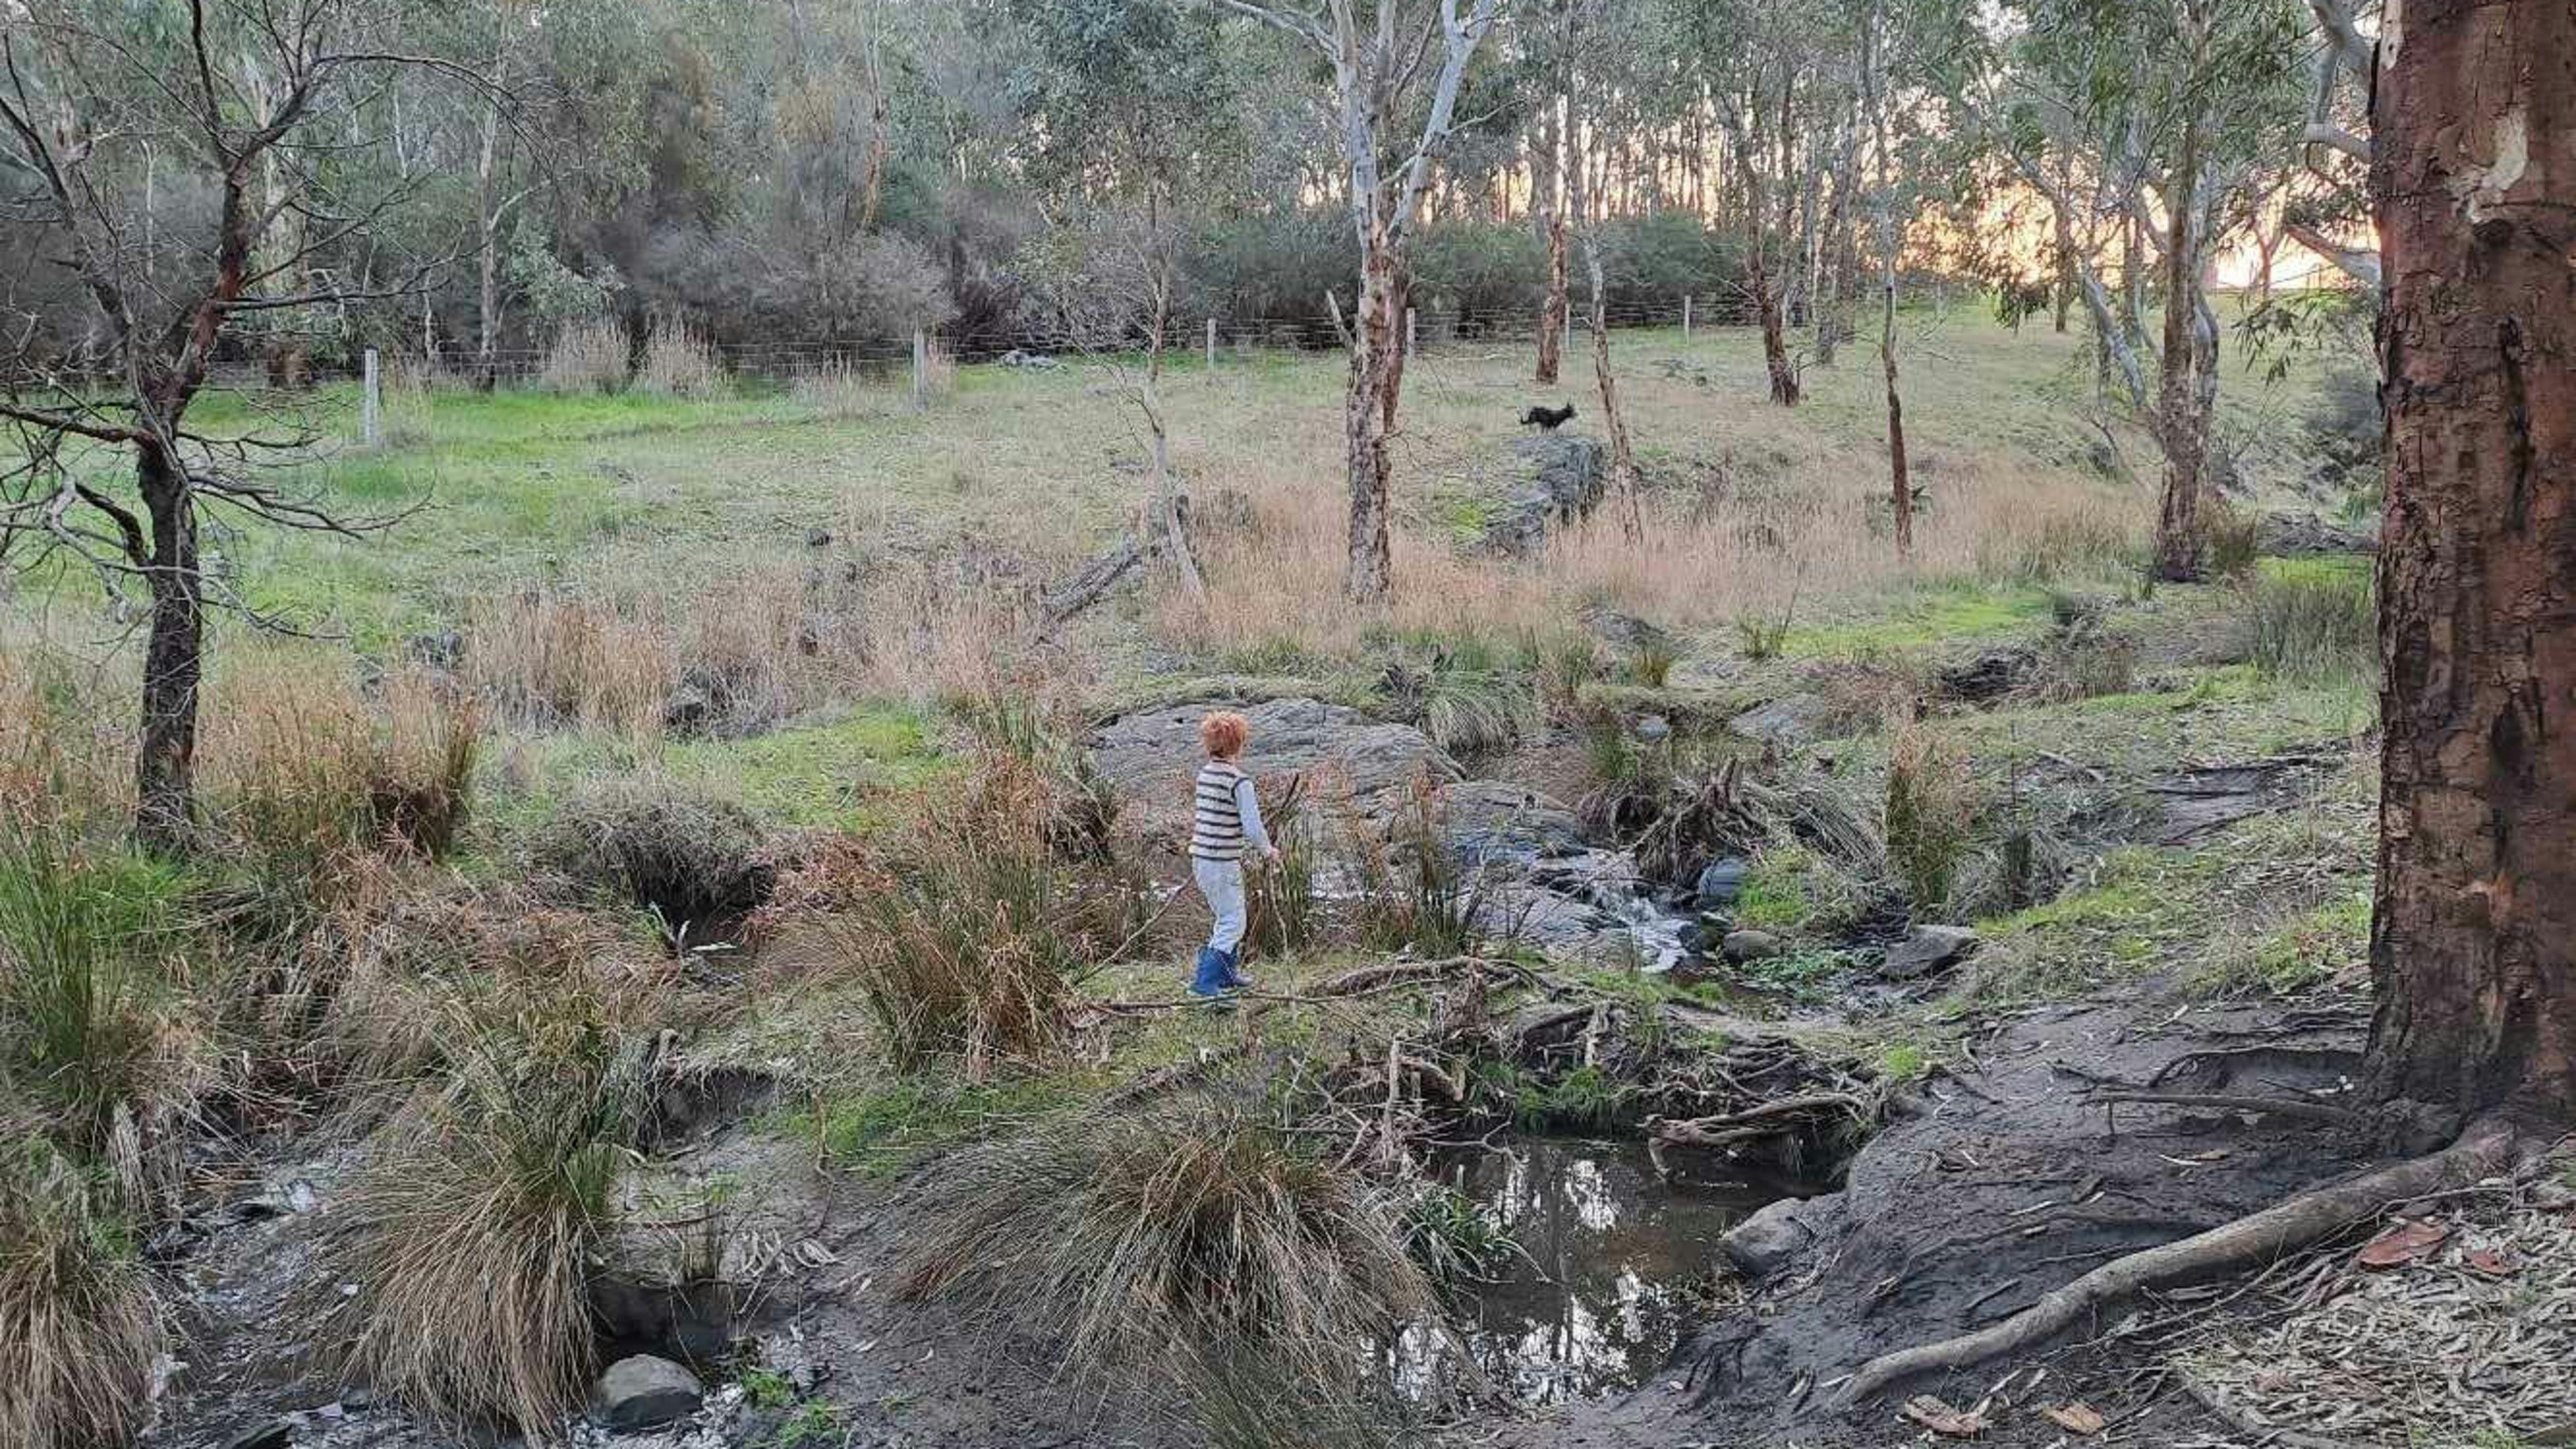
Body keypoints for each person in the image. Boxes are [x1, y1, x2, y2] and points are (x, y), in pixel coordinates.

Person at [1188, 710, 1277, 998]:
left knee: (1225, 916)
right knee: (1233, 921)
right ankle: (1205, 984)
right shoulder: (1240, 782)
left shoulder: (1205, 775)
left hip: (1201, 859)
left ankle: (1225, 975)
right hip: (1222, 862)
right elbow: (1252, 827)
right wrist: (1268, 850)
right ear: (1239, 744)